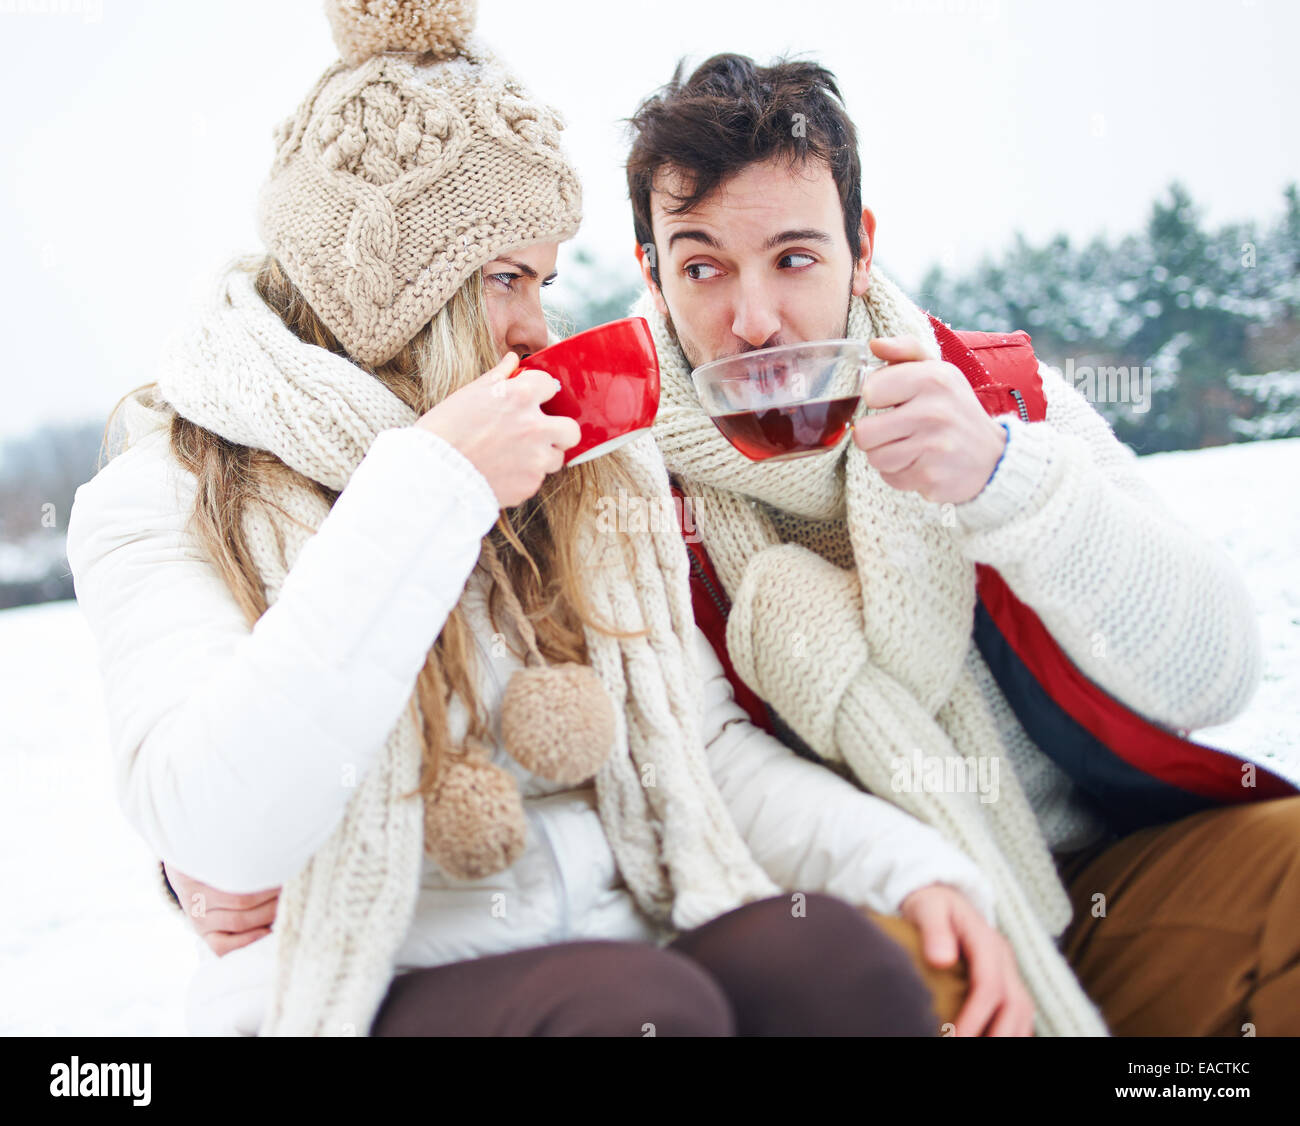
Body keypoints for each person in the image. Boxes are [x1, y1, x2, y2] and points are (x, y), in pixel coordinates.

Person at [65, 1, 1012, 1038]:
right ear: (387, 289)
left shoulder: (576, 467)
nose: (534, 325)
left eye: (546, 279)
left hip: (622, 939)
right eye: (506, 279)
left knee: (838, 966)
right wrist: (433, 489)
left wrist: (914, 869)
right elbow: (221, 825)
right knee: (632, 1009)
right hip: (350, 985)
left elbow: (695, 754)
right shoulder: (167, 492)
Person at [622, 51, 1300, 1037]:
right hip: (882, 928)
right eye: (702, 267)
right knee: (881, 984)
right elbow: (701, 788)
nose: (753, 321)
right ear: (650, 270)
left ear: (861, 247)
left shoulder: (993, 401)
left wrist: (1002, 479)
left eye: (794, 258)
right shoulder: (629, 485)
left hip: (1102, 888)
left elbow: (1218, 670)